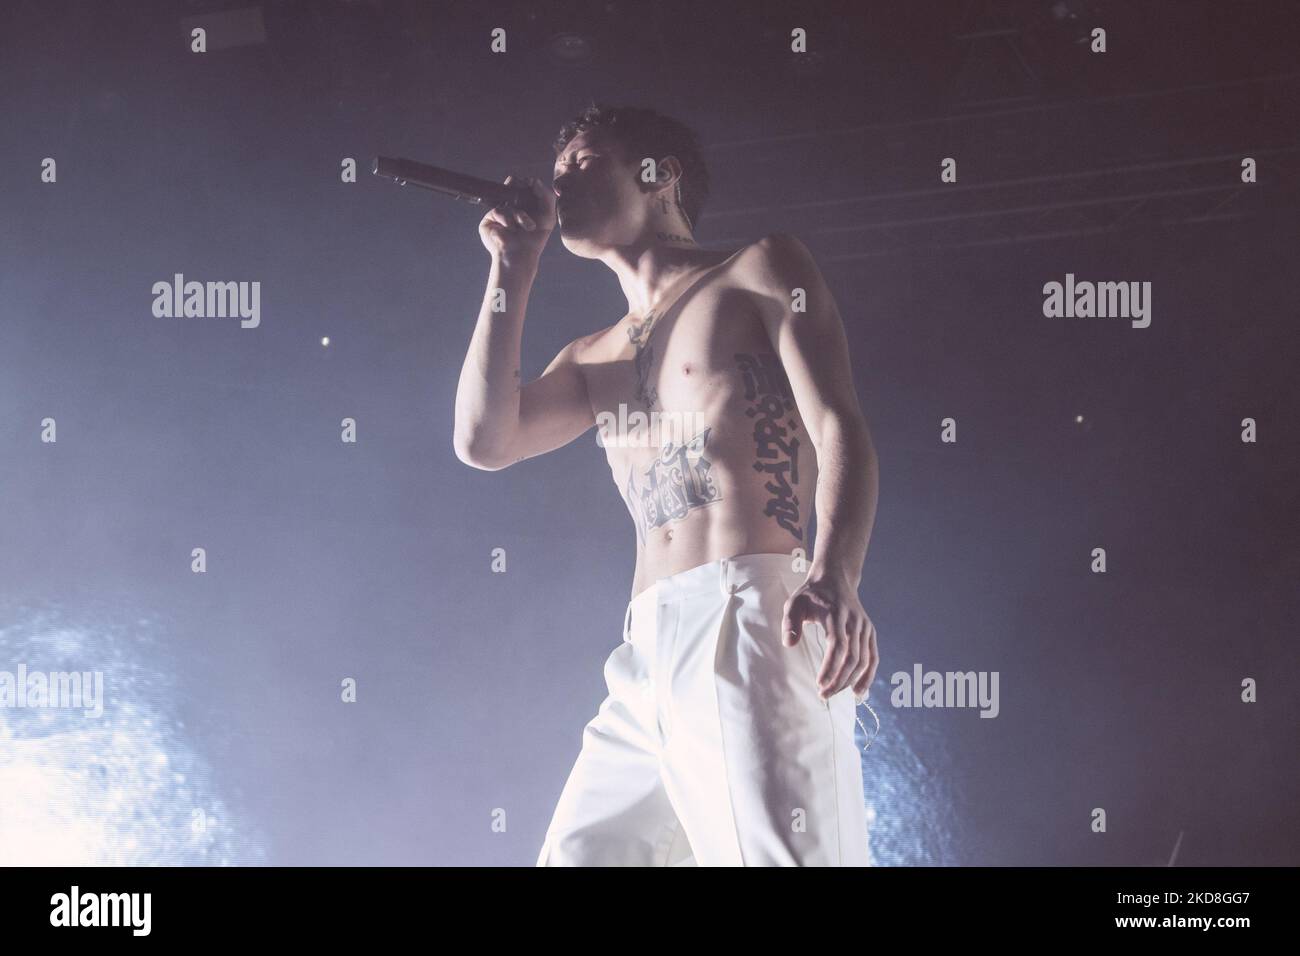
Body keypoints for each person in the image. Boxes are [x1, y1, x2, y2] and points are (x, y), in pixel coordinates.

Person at [453, 104, 880, 866]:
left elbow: (839, 423)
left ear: (659, 175)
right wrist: (510, 268)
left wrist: (836, 571)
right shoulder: (594, 356)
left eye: (585, 162)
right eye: (557, 173)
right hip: (645, 648)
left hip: (750, 608)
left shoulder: (758, 267)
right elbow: (484, 442)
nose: (561, 180)